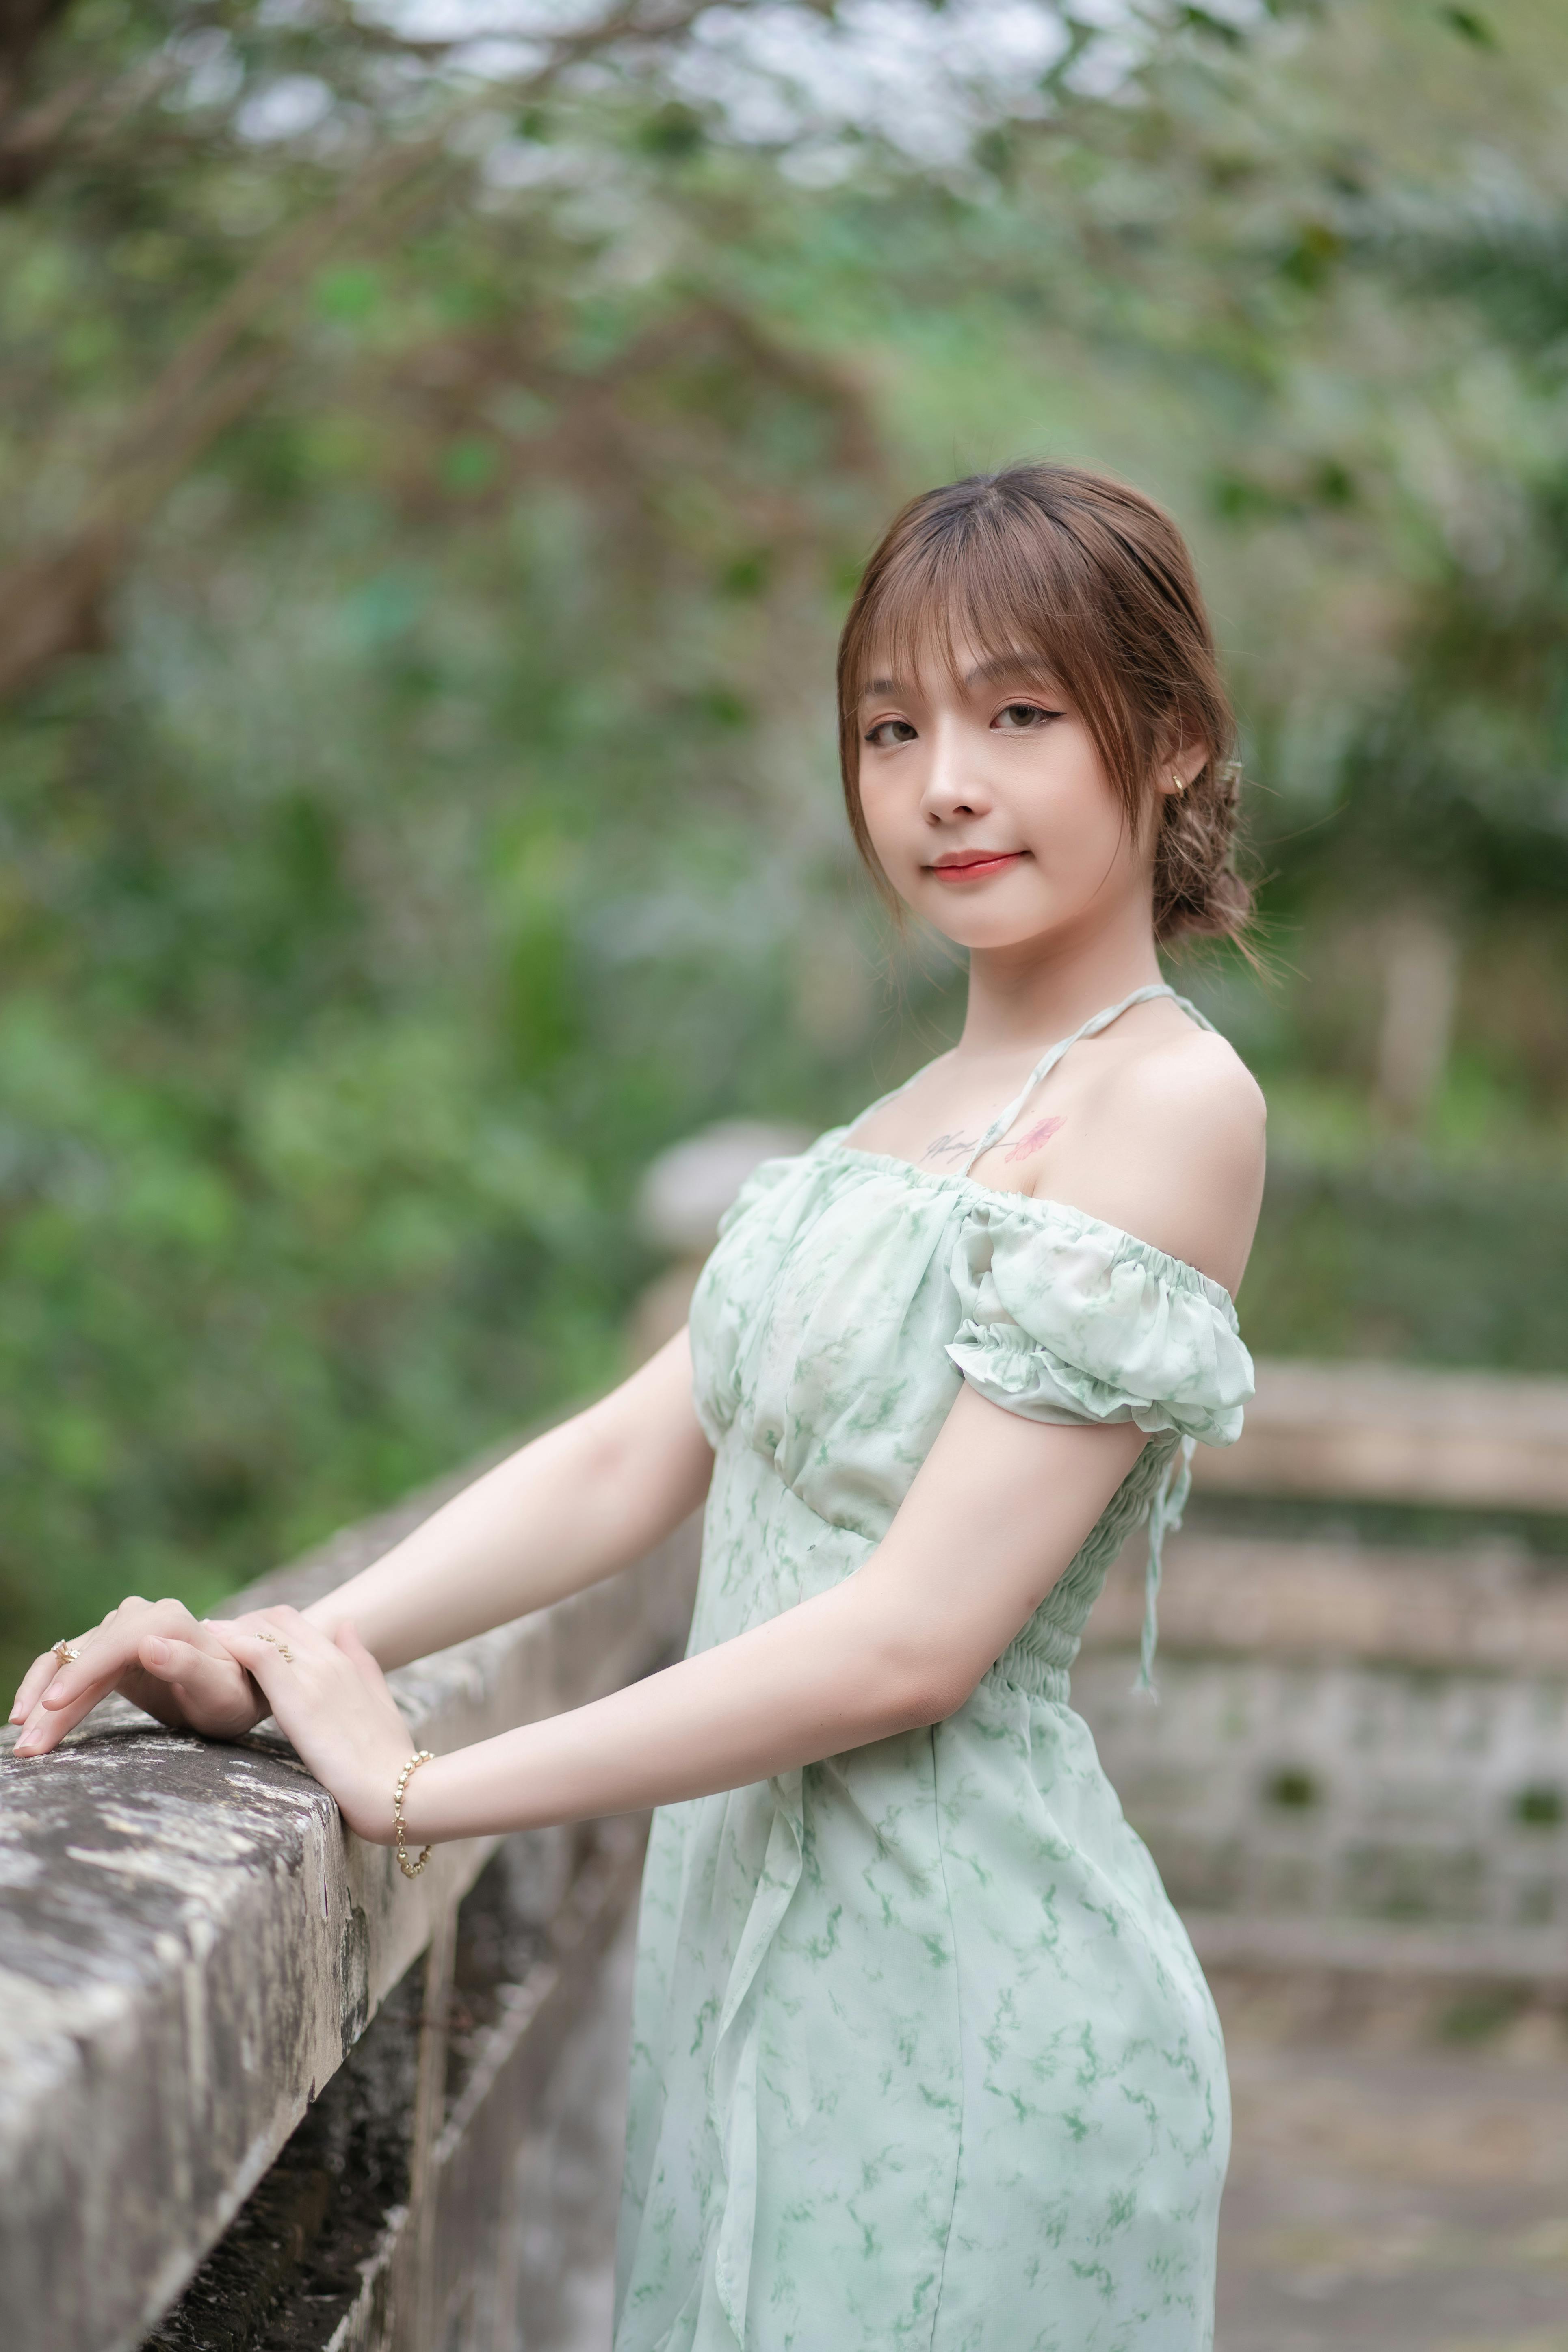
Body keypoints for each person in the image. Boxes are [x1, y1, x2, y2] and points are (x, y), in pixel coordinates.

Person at [11, 463, 1265, 2351]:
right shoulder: (894, 1121)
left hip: (969, 2023)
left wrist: (421, 1788)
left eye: (1018, 713)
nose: (943, 781)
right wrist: (290, 1656)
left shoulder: (1167, 1104)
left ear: (1166, 739)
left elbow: (910, 1640)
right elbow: (628, 1453)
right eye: (889, 724)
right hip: (754, 1993)